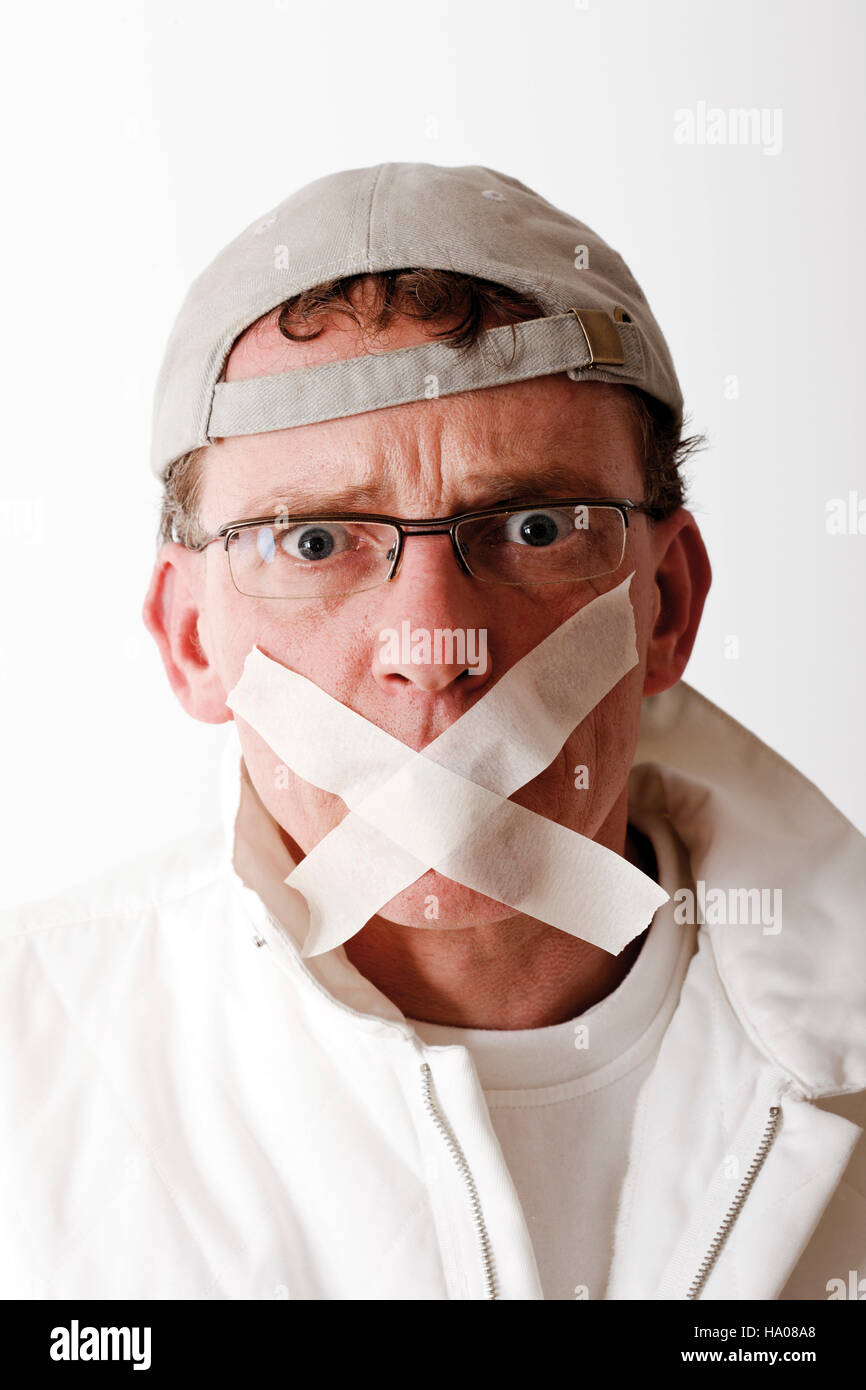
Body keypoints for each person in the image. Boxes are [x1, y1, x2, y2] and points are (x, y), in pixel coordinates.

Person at [2, 162, 864, 1302]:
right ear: (189, 641)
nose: (436, 643)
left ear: (670, 604)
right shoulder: (30, 1082)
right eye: (312, 542)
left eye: (534, 525)